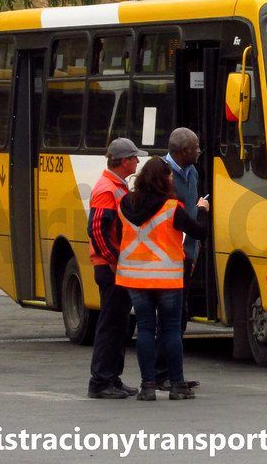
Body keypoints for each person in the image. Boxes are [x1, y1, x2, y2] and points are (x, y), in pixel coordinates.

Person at [117, 157, 209, 401]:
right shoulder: (171, 208)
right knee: (170, 330)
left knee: (145, 329)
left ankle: (147, 386)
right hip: (167, 277)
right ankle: (177, 385)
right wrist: (202, 210)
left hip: (135, 277)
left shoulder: (125, 203)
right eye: (169, 176)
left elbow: (117, 234)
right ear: (163, 179)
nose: (172, 179)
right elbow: (199, 232)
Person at [86, 137, 148, 399]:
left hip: (116, 265)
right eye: (134, 158)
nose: (137, 161)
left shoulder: (116, 186)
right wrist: (112, 259)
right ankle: (101, 381)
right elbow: (97, 229)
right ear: (123, 161)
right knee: (111, 325)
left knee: (119, 324)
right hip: (110, 267)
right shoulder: (107, 189)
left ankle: (112, 377)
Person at [156, 127, 203, 390]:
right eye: (196, 147)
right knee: (168, 319)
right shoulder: (162, 174)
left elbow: (191, 215)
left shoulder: (192, 171)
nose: (199, 151)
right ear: (183, 151)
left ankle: (171, 374)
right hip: (166, 256)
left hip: (184, 254)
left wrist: (193, 254)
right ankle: (161, 375)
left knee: (179, 317)